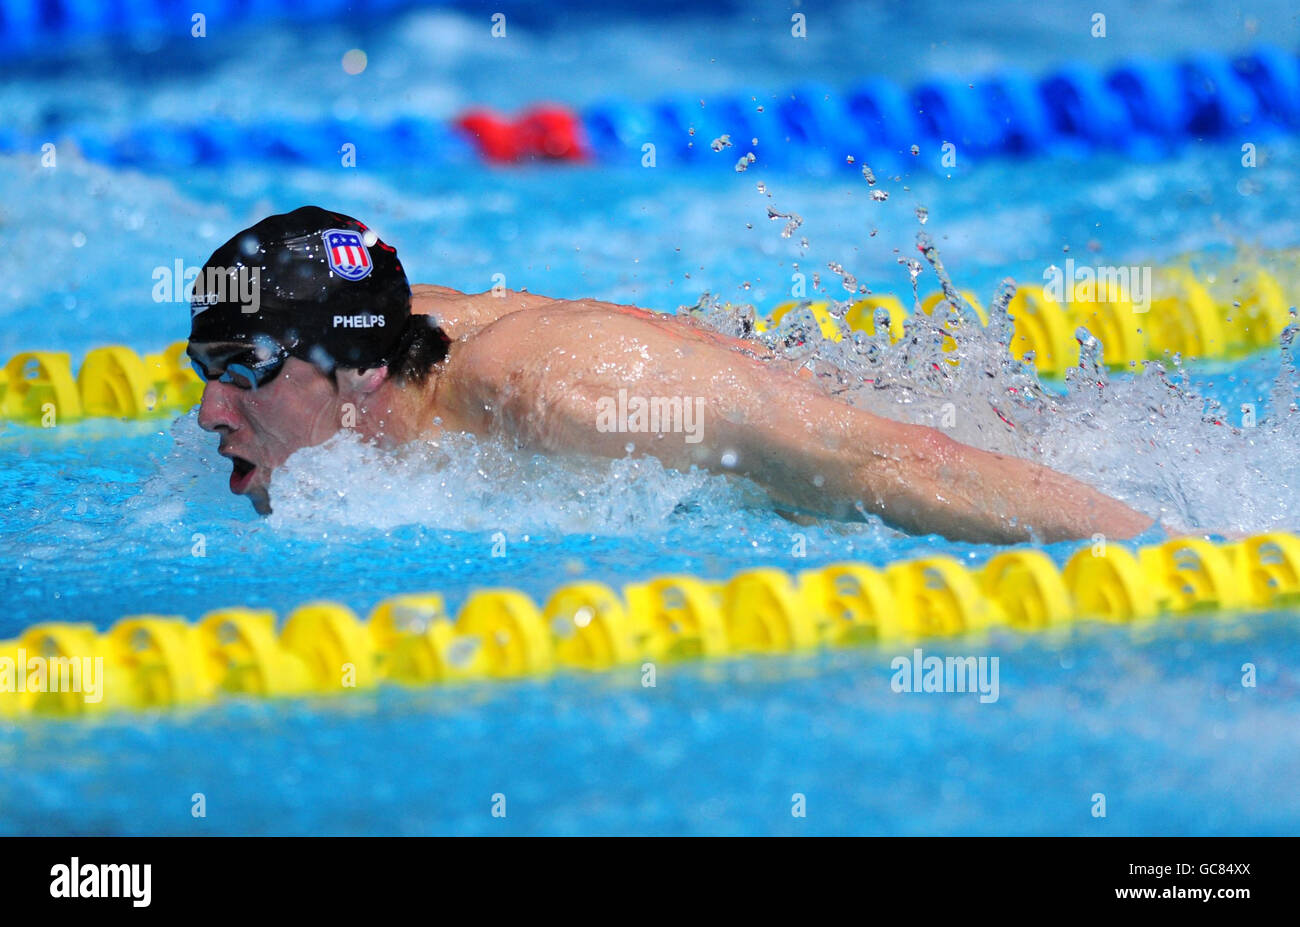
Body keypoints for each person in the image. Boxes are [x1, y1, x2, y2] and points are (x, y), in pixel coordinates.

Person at [187, 206, 1154, 544]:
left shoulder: (558, 393)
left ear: (356, 372)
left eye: (240, 371)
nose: (205, 410)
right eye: (203, 367)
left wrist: (1172, 552)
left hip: (951, 449)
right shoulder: (366, 339)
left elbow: (874, 459)